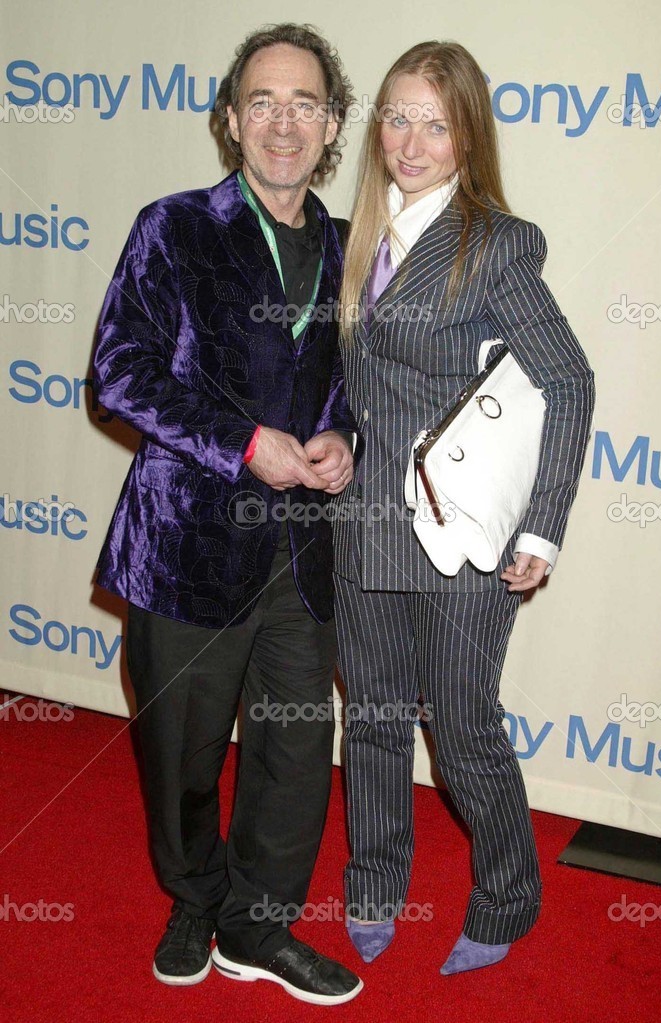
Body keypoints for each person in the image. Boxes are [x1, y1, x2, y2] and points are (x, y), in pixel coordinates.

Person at [92, 23, 363, 1006]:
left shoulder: (350, 249)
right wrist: (247, 443)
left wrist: (348, 446)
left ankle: (258, 923)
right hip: (186, 546)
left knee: (294, 754)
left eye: (303, 103)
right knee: (185, 758)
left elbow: (357, 393)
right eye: (262, 101)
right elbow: (118, 375)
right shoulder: (174, 228)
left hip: (301, 556)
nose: (282, 122)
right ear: (231, 119)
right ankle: (194, 897)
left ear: (332, 124)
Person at [333, 41, 595, 973]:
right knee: (371, 715)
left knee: (463, 723)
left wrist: (542, 526)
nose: (411, 141)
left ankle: (510, 894)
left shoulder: (494, 243)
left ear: (468, 136)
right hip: (367, 522)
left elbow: (567, 380)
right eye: (396, 117)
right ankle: (373, 880)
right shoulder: (363, 231)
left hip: (461, 536)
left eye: (436, 123)